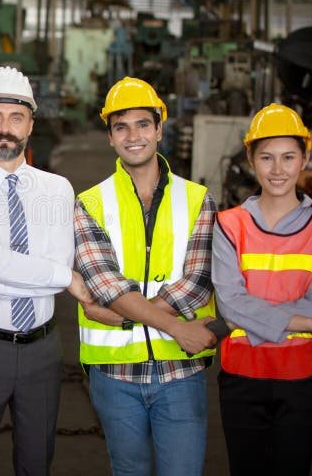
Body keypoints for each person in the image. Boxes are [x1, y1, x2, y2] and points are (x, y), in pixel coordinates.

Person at [73, 77, 219, 476]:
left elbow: (198, 279)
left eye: (142, 124)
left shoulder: (198, 198)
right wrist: (175, 326)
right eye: (121, 126)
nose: (132, 135)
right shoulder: (89, 203)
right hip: (115, 377)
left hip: (180, 373)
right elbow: (105, 284)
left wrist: (122, 316)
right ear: (110, 137)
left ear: (159, 129)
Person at [0, 67, 85, 475]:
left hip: (43, 351)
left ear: (31, 124)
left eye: (16, 117)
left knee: (36, 463)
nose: (5, 128)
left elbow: (53, 263)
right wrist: (60, 280)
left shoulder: (57, 189)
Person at [213, 103, 312, 476]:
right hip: (243, 377)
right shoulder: (229, 225)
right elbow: (230, 306)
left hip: (302, 380)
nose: (277, 170)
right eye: (266, 157)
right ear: (250, 159)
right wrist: (307, 326)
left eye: (288, 157)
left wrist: (257, 315)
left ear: (305, 158)